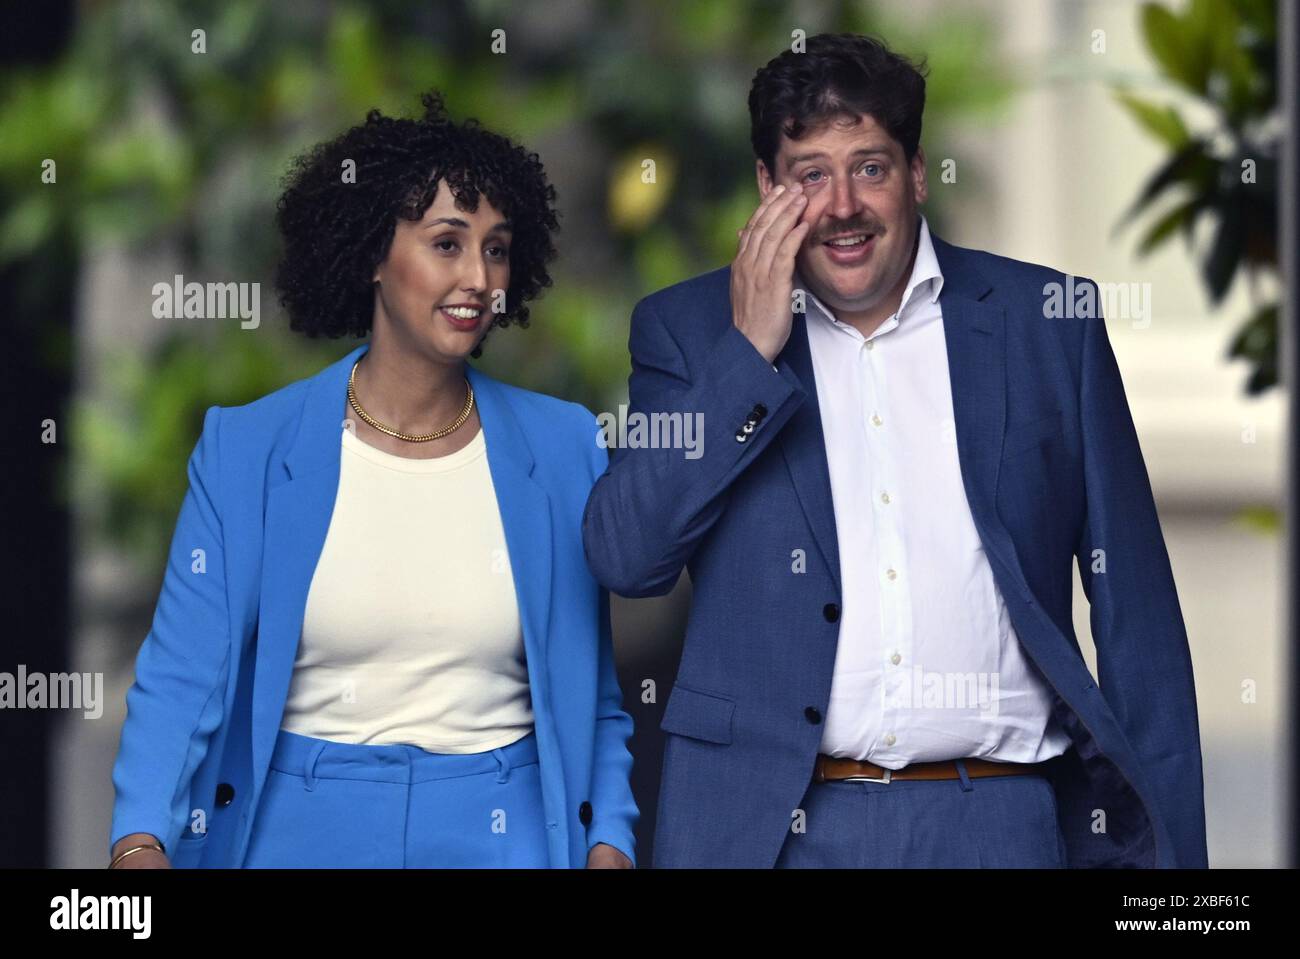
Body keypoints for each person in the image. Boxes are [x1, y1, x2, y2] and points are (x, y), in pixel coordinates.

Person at [582, 33, 1208, 868]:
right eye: (809, 174)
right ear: (768, 189)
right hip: (774, 832)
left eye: (869, 167)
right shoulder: (691, 334)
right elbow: (628, 556)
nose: (841, 204)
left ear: (916, 173)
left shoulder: (1048, 323)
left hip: (1001, 821)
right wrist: (746, 359)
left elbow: (1141, 627)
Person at [108, 91, 637, 869]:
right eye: (446, 243)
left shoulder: (563, 448)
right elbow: (182, 676)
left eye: (496, 247)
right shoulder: (247, 449)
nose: (478, 277)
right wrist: (138, 843)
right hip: (296, 833)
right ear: (370, 255)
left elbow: (596, 700)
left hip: (506, 832)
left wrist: (609, 845)